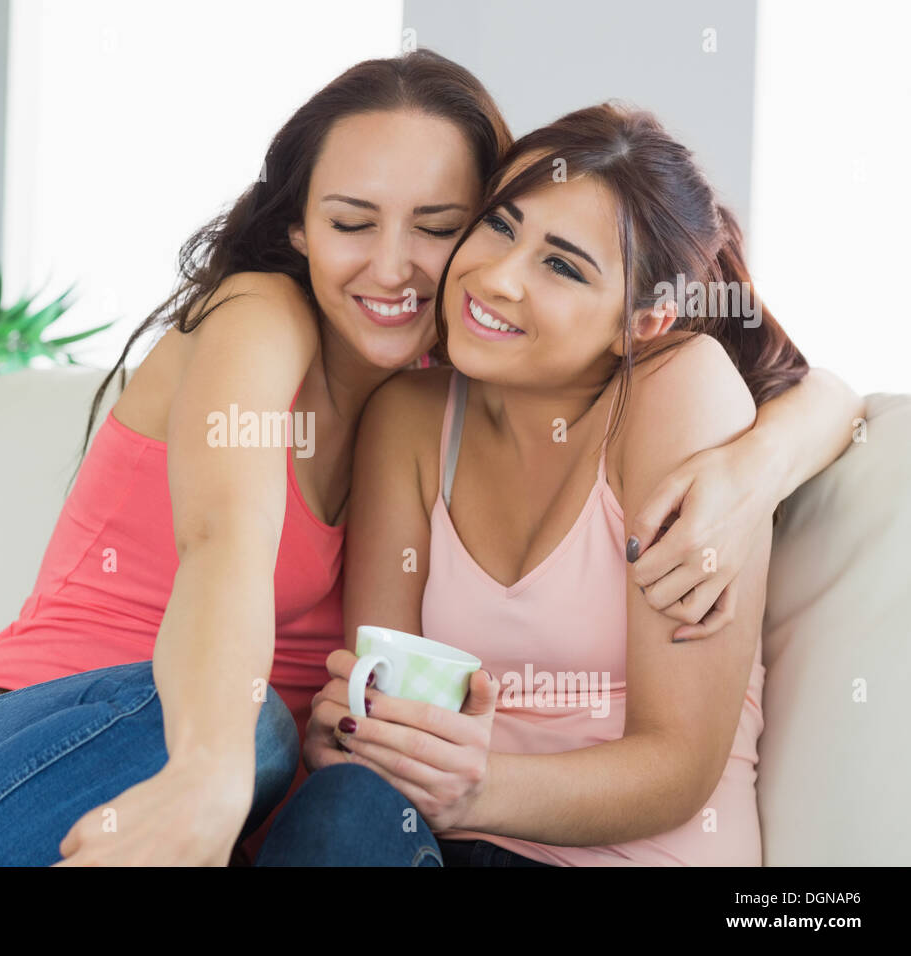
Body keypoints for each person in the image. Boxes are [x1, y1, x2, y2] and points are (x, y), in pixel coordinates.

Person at [0, 52, 862, 866]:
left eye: (440, 226)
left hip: (213, 802)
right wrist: (217, 771)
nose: (397, 268)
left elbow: (809, 389)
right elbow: (223, 544)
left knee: (314, 782)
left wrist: (759, 464)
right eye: (352, 222)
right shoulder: (258, 318)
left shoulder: (446, 392)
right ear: (300, 229)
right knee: (259, 732)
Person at [258, 101, 862, 866]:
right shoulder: (408, 417)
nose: (498, 278)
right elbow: (386, 698)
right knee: (342, 805)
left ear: (642, 321)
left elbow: (680, 763)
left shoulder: (676, 392)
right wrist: (360, 739)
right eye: (500, 226)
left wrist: (473, 788)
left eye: (563, 265)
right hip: (442, 845)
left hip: (626, 857)